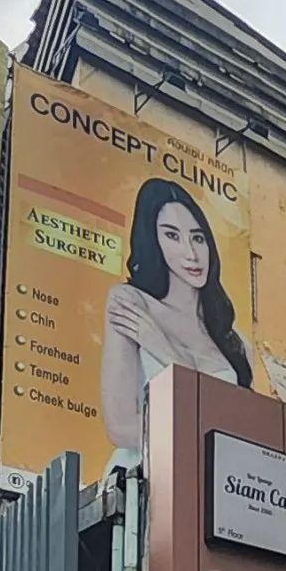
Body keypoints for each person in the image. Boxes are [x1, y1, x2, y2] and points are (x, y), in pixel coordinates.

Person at [100, 177, 254, 457]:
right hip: (145, 480)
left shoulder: (235, 341)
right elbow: (121, 426)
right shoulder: (130, 302)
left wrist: (165, 352)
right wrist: (205, 436)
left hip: (214, 481)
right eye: (172, 235)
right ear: (152, 240)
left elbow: (244, 435)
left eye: (198, 238)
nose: (191, 253)